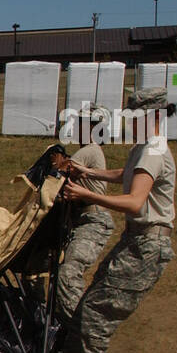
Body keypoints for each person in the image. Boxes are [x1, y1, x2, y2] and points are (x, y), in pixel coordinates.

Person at [50, 89, 177, 353]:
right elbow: (126, 174)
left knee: (98, 308)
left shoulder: (154, 150)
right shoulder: (144, 148)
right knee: (91, 300)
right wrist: (90, 172)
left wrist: (87, 194)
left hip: (147, 245)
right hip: (135, 239)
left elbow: (135, 202)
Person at [54, 107, 115, 324]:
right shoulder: (89, 150)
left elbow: (58, 170)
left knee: (68, 274)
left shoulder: (90, 150)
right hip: (79, 220)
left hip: (91, 221)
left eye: (81, 123)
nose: (76, 127)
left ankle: (82, 330)